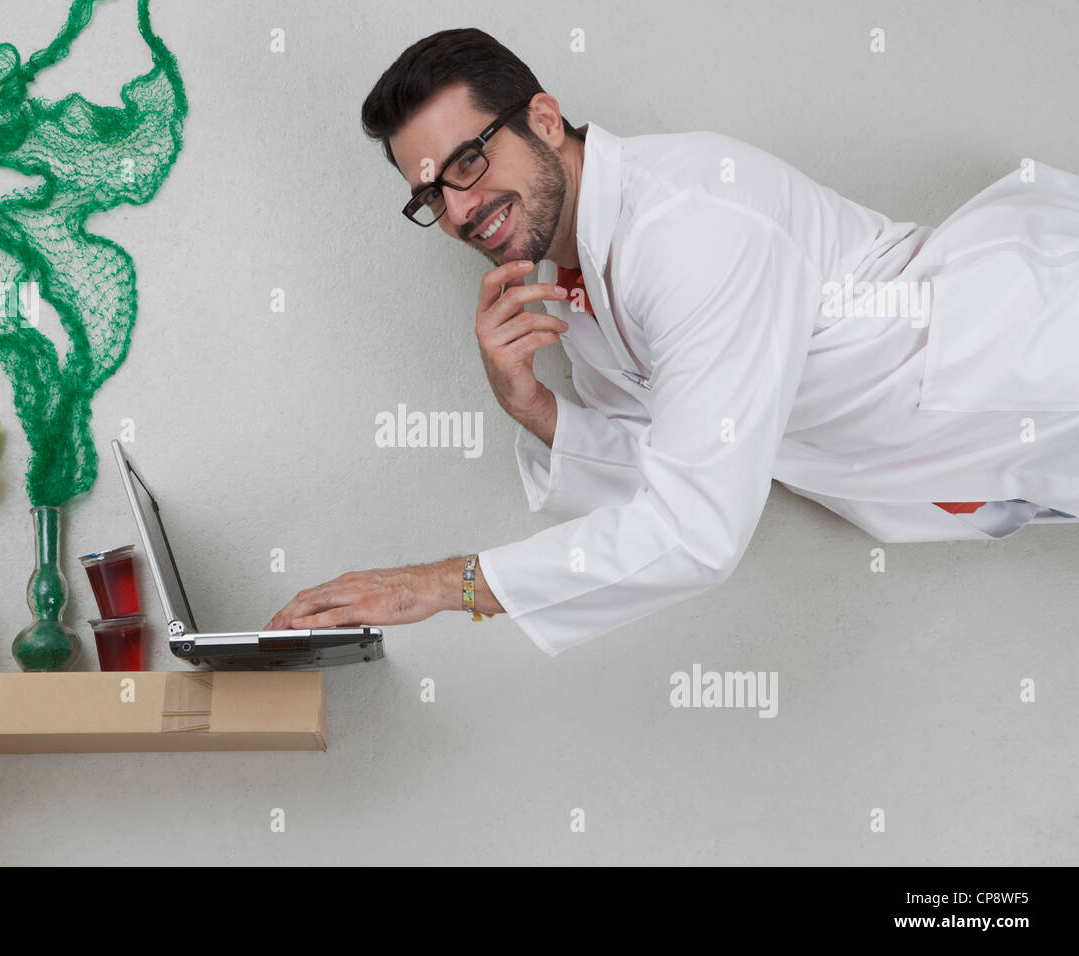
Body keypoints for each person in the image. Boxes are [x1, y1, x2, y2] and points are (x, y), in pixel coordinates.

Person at [265, 27, 1079, 657]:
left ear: (543, 120)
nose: (458, 208)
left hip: (1041, 350)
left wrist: (442, 587)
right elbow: (684, 458)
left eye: (469, 162)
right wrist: (535, 407)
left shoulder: (691, 227)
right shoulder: (578, 278)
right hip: (1005, 443)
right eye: (430, 193)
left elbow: (696, 529)